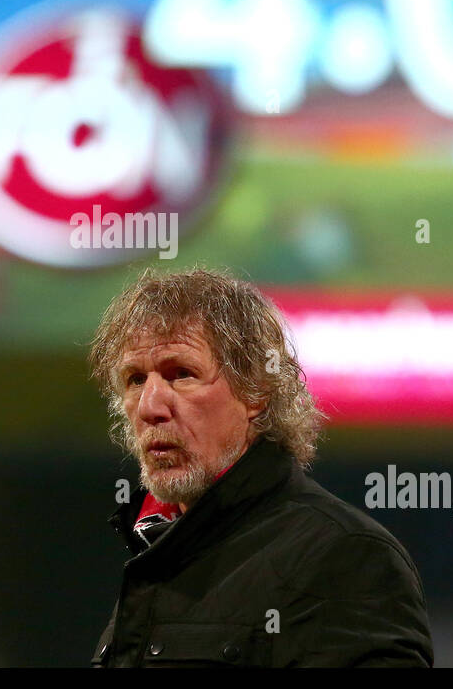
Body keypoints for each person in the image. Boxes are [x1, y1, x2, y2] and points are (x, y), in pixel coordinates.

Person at [87, 267, 433, 667]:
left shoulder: (345, 557)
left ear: (256, 392)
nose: (150, 407)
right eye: (134, 380)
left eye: (181, 374)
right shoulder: (155, 558)